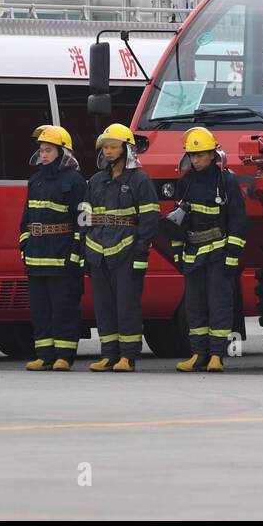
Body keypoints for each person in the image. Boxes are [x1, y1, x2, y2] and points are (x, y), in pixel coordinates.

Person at [170, 127, 247, 372]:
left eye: (200, 155)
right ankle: (198, 354)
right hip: (193, 252)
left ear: (212, 154)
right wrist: (177, 251)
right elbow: (178, 221)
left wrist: (232, 255)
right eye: (192, 155)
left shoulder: (226, 180)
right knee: (195, 306)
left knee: (219, 304)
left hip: (218, 251)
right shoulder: (185, 182)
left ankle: (217, 355)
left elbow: (237, 219)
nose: (196, 159)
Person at [83, 123, 159, 372]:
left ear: (127, 150)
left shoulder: (140, 181)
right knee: (103, 306)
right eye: (105, 147)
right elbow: (84, 217)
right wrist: (86, 250)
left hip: (126, 251)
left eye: (114, 147)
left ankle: (128, 356)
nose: (108, 152)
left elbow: (149, 219)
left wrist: (141, 251)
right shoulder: (95, 181)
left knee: (127, 305)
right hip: (98, 252)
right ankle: (108, 355)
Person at [20, 125, 87, 371]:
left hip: (62, 258)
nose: (43, 154)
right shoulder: (34, 181)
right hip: (37, 258)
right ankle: (44, 355)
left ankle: (64, 356)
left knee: (63, 308)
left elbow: (83, 219)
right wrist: (24, 246)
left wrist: (75, 253)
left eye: (48, 150)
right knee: (40, 310)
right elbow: (26, 218)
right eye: (41, 150)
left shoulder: (75, 181)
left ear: (62, 152)